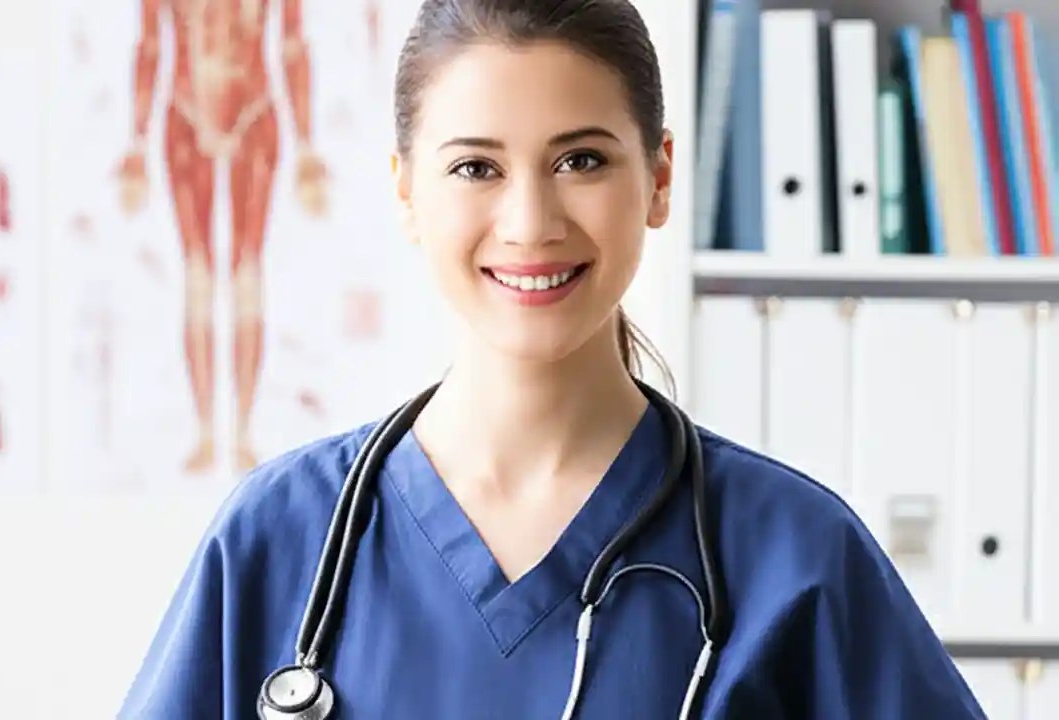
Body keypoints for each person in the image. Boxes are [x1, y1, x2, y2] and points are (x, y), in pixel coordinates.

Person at [118, 1, 988, 718]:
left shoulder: (795, 557)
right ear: (405, 191)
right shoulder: (279, 540)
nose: (531, 222)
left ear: (657, 178)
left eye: (581, 159)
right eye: (475, 168)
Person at [118, 0, 329, 475]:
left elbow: (292, 45)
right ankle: (207, 432)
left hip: (254, 114)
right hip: (185, 117)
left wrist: (308, 146)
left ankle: (243, 432)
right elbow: (150, 46)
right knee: (198, 273)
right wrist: (134, 142)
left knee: (246, 273)